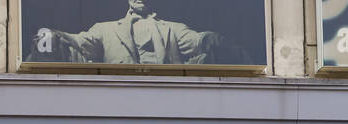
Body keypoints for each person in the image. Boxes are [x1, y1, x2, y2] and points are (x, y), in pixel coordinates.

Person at [31, 0, 219, 65]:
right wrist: (51, 33)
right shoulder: (105, 29)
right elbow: (79, 42)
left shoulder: (174, 28)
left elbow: (197, 41)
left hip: (167, 98)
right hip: (118, 99)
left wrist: (212, 39)